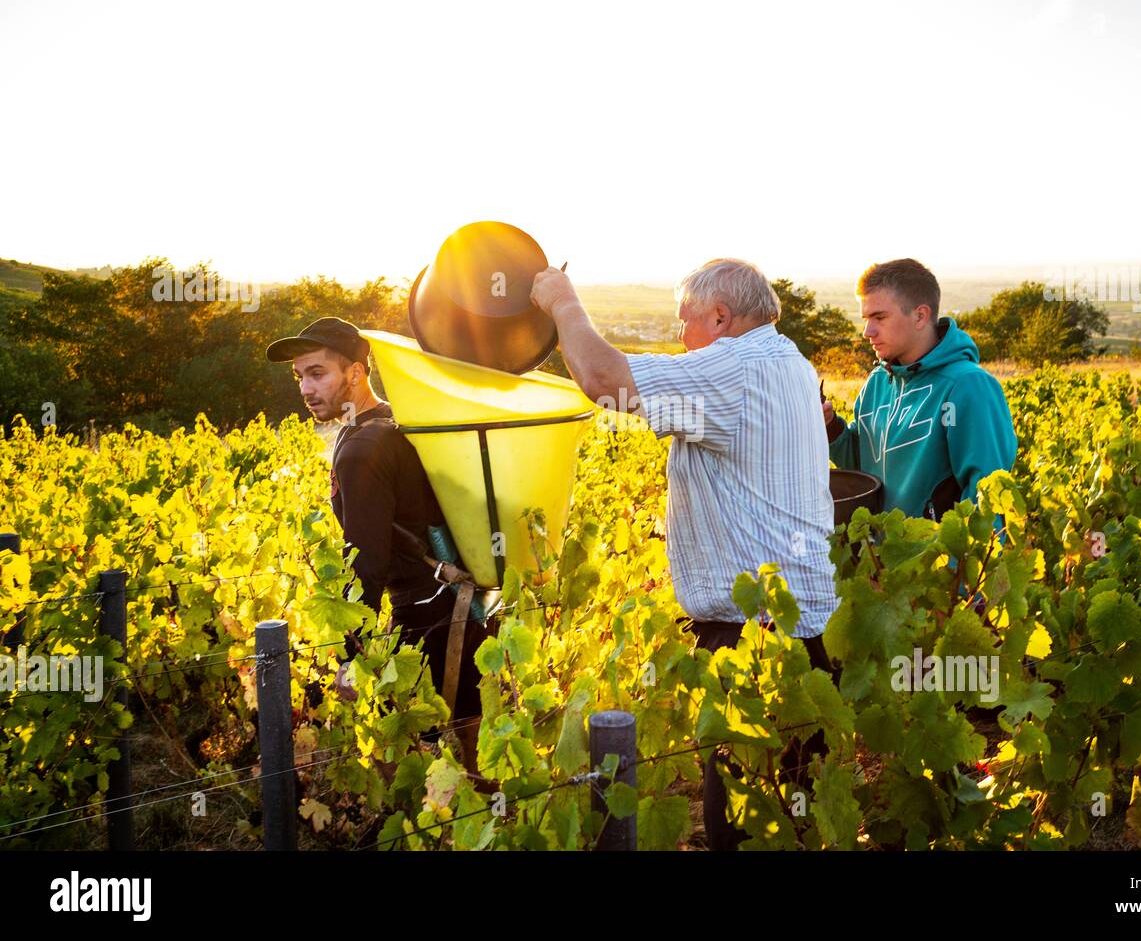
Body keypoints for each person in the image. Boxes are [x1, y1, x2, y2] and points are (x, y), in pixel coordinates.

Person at [530, 258, 837, 850]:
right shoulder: (787, 362)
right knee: (782, 821)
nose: (679, 336)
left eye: (685, 321)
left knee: (747, 830)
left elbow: (603, 382)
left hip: (758, 638)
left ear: (720, 317)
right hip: (791, 633)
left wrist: (562, 302)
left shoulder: (736, 366)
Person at [265, 317, 488, 763]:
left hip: (423, 619)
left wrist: (352, 655)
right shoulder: (393, 422)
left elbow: (364, 560)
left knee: (408, 760)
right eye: (300, 376)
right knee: (469, 748)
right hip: (461, 606)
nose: (306, 389)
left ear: (355, 372)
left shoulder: (363, 447)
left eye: (318, 373)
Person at [822, 258, 1017, 520]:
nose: (868, 331)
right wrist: (830, 426)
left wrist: (951, 561)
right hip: (879, 557)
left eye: (879, 317)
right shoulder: (877, 382)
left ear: (920, 316)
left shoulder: (968, 387)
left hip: (933, 558)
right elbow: (865, 469)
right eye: (866, 318)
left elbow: (988, 499)